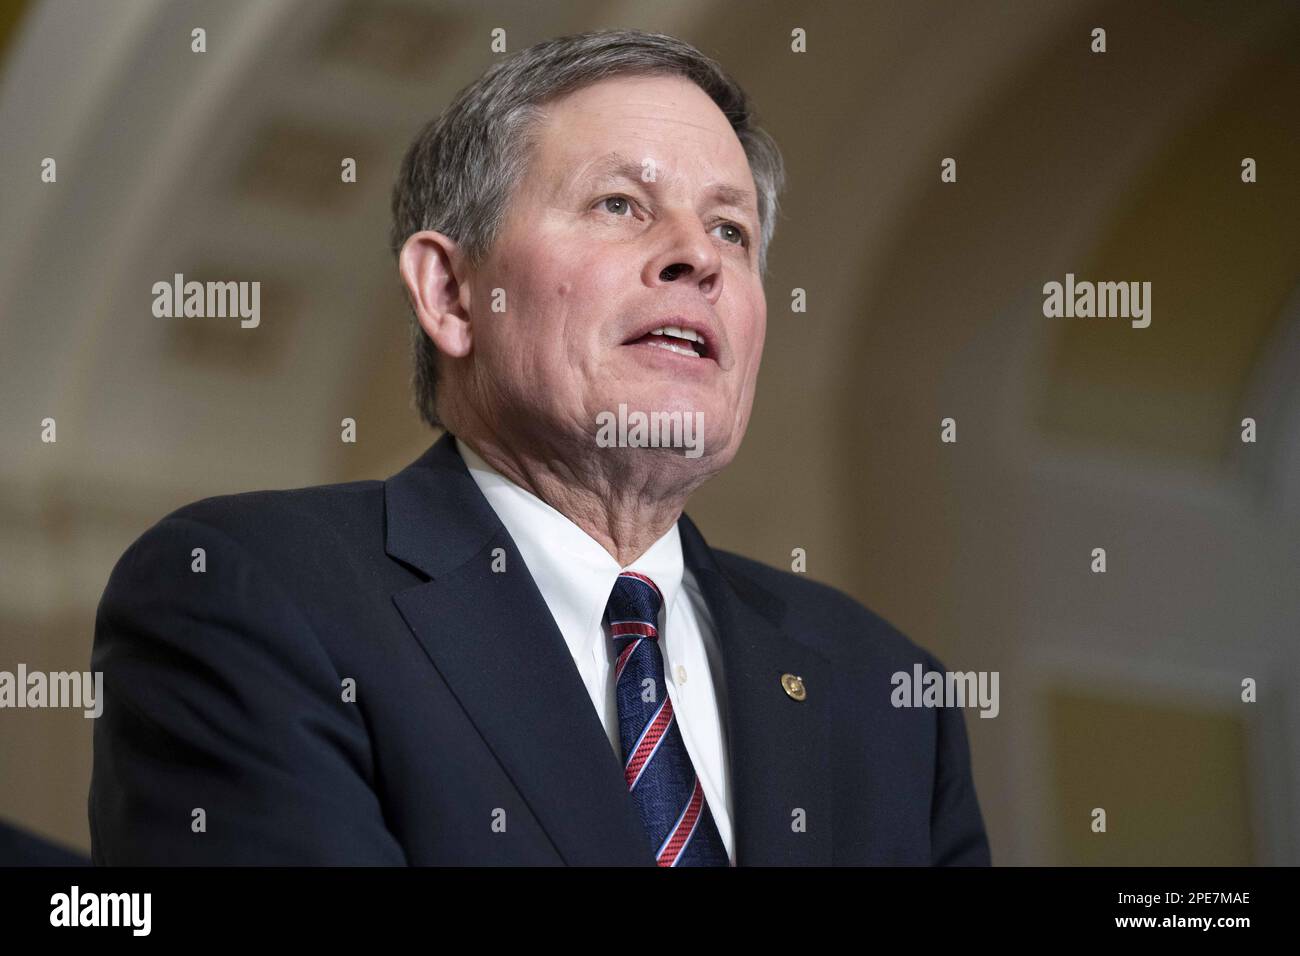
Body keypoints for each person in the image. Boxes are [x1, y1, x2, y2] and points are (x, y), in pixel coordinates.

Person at [89, 29, 991, 866]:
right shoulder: (257, 595)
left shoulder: (888, 692)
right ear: (450, 293)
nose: (699, 258)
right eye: (620, 205)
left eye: (731, 229)